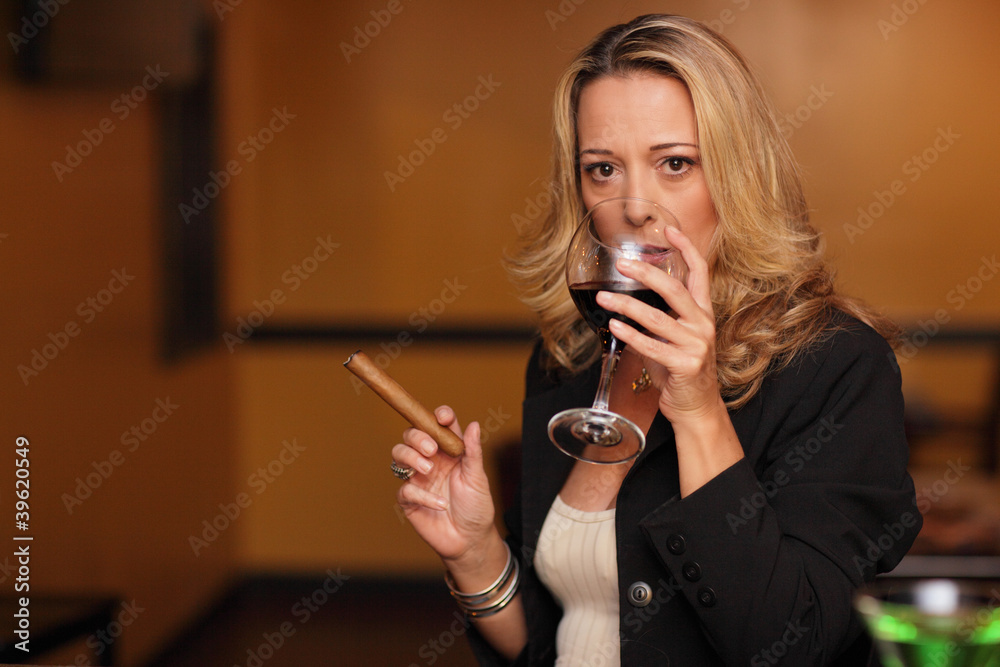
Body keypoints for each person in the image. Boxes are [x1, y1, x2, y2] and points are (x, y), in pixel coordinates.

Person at [390, 14, 920, 666]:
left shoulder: (837, 367)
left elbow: (790, 645)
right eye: (603, 168)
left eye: (675, 163)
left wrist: (697, 408)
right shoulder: (571, 356)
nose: (635, 205)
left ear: (737, 174)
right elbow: (565, 634)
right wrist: (475, 554)